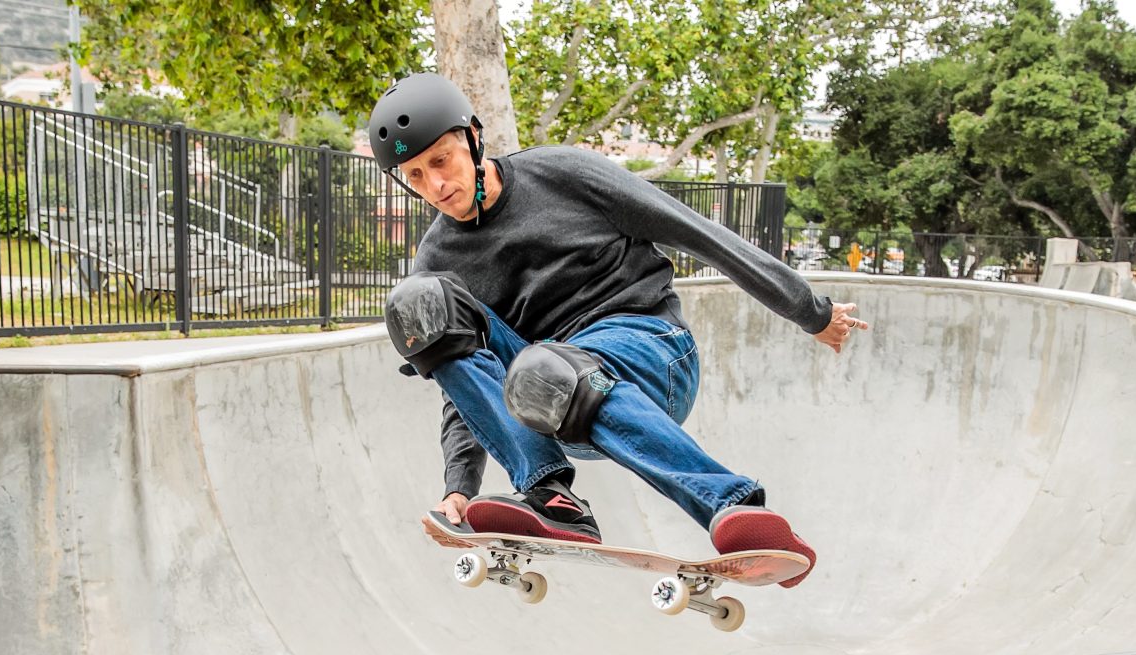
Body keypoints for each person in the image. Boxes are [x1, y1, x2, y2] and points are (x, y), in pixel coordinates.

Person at [369, 73, 866, 587]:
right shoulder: (439, 257)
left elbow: (699, 233)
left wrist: (811, 312)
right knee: (418, 303)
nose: (435, 186)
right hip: (551, 396)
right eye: (415, 176)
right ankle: (552, 497)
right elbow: (465, 381)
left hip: (652, 352)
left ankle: (733, 506)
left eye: (441, 161)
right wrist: (459, 485)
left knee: (546, 365)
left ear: (473, 137)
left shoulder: (562, 174)